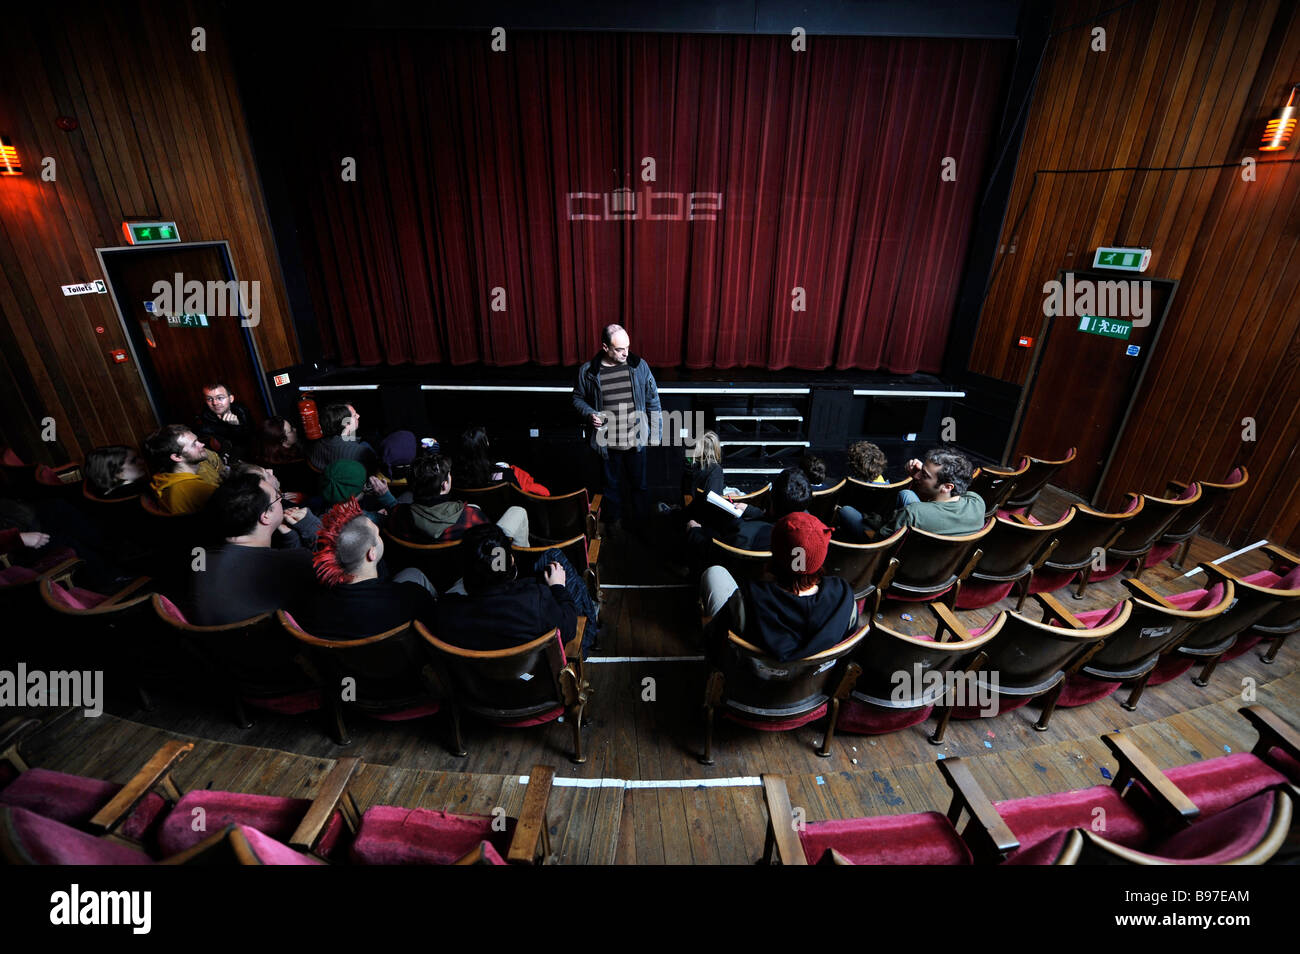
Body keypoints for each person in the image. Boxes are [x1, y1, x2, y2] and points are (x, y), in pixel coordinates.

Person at [699, 512, 857, 662]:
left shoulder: (747, 600)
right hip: (810, 685)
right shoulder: (844, 597)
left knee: (715, 573)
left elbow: (715, 640)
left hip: (750, 679)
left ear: (774, 551)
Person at [435, 523, 594, 654]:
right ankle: (592, 627)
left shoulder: (446, 612)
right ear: (510, 560)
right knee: (555, 557)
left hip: (481, 685)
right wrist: (558, 587)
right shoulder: (536, 600)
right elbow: (568, 630)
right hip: (529, 677)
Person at [189, 472, 317, 625]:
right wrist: (311, 526)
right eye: (277, 497)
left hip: (205, 641)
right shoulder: (299, 561)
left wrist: (290, 538)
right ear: (265, 516)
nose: (281, 500)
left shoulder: (198, 553)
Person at [303, 498, 437, 640]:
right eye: (378, 534)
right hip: (398, 656)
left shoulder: (313, 604)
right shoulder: (410, 596)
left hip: (345, 658)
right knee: (414, 573)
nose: (380, 537)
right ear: (371, 553)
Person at [572, 323, 660, 533]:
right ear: (605, 347)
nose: (625, 353)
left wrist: (655, 434)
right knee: (610, 488)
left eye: (627, 347)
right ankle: (615, 526)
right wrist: (589, 413)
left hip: (636, 441)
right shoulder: (589, 371)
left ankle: (641, 527)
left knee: (640, 486)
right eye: (619, 349)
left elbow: (653, 400)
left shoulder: (639, 366)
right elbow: (577, 398)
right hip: (607, 445)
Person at [386, 454, 529, 546]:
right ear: (444, 485)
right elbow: (490, 542)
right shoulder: (471, 517)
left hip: (426, 572)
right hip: (464, 576)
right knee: (518, 511)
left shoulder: (398, 514)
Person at [686, 465, 810, 555]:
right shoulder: (808, 533)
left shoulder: (744, 535)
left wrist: (695, 531)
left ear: (772, 500)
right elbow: (777, 519)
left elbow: (715, 552)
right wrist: (750, 510)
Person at [877, 448, 986, 536]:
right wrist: (924, 473)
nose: (917, 476)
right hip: (943, 561)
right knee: (906, 494)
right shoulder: (977, 502)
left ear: (947, 487)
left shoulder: (913, 513)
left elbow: (880, 542)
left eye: (924, 475)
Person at [144, 425, 224, 514]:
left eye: (197, 440)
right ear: (177, 457)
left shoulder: (165, 479)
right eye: (194, 444)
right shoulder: (195, 489)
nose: (202, 444)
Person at [454, 425, 550, 496]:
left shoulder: (456, 477)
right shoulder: (505, 474)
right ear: (484, 446)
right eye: (486, 440)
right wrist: (507, 470)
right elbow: (520, 495)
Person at [835, 440, 892, 541]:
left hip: (869, 533)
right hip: (879, 525)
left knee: (844, 511)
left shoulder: (852, 486)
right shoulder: (887, 485)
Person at [309, 403, 379, 473]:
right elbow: (374, 472)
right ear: (346, 423)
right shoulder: (362, 451)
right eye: (354, 415)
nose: (358, 416)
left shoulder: (316, 445)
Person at [195, 382, 255, 462]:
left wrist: (236, 425)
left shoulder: (241, 411)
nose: (215, 403)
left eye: (220, 398)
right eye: (209, 399)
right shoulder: (204, 419)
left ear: (231, 399)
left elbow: (250, 439)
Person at [84, 445, 150, 499]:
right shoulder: (133, 494)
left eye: (138, 457)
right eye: (133, 461)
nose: (142, 461)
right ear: (115, 473)